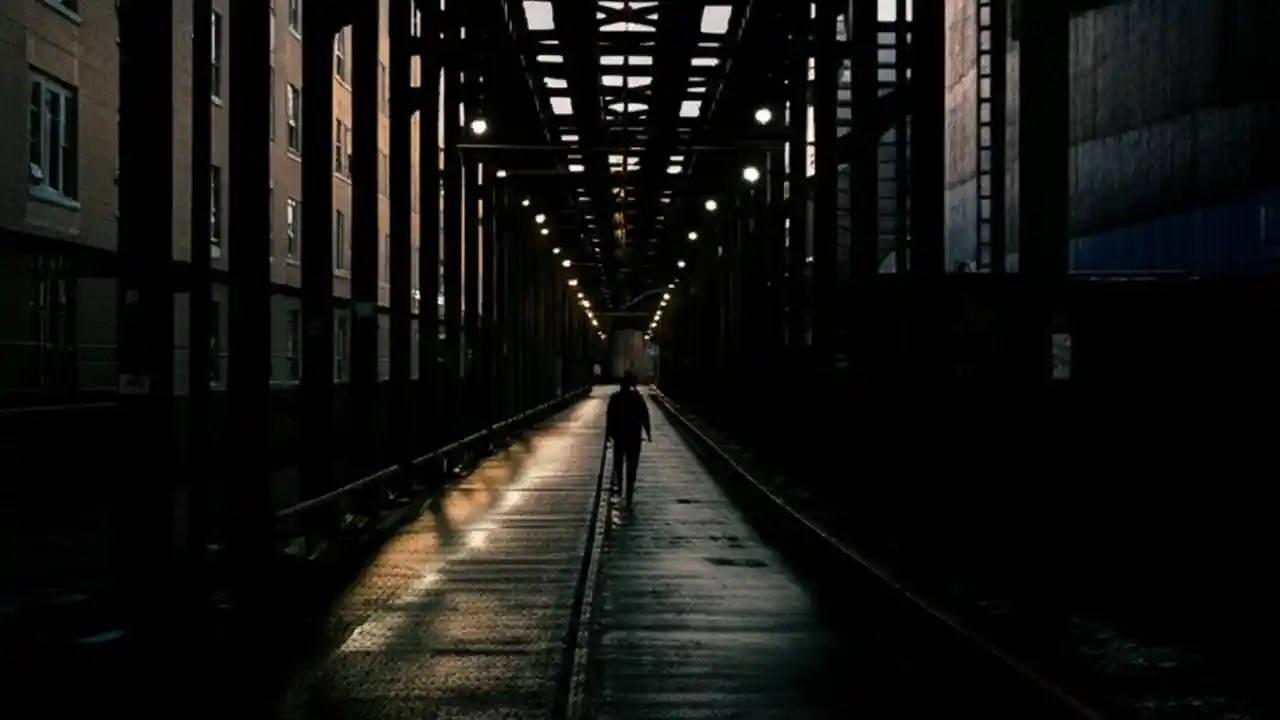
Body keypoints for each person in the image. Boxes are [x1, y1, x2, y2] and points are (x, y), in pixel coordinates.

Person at [606, 371, 651, 507]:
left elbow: (610, 417)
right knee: (632, 464)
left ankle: (619, 488)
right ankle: (629, 489)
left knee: (618, 463)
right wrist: (648, 432)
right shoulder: (637, 398)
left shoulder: (615, 398)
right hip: (633, 436)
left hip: (620, 436)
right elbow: (645, 416)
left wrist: (608, 433)